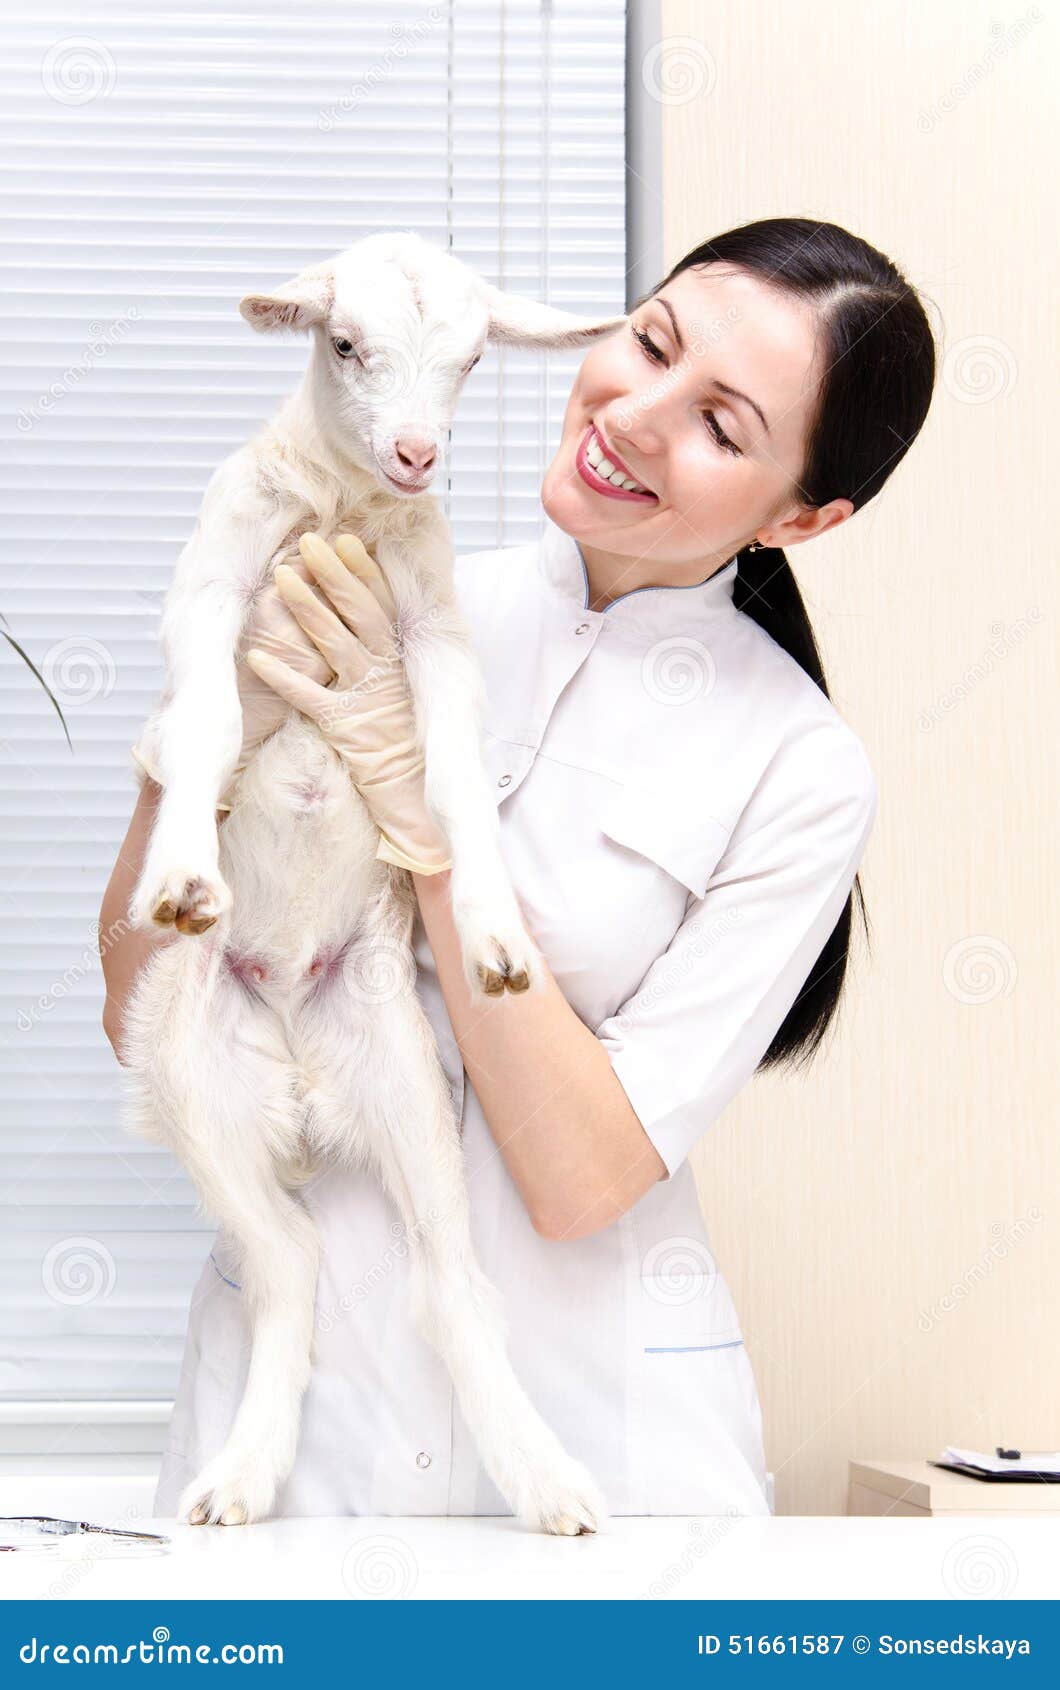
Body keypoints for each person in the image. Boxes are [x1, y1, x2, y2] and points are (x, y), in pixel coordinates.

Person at [100, 218, 936, 1521]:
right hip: (299, 1443)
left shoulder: (798, 767)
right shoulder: (376, 585)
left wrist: (421, 819)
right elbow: (138, 996)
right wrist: (208, 732)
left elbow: (579, 1171)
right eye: (649, 343)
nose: (637, 416)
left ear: (804, 515)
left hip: (599, 1447)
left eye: (722, 426)